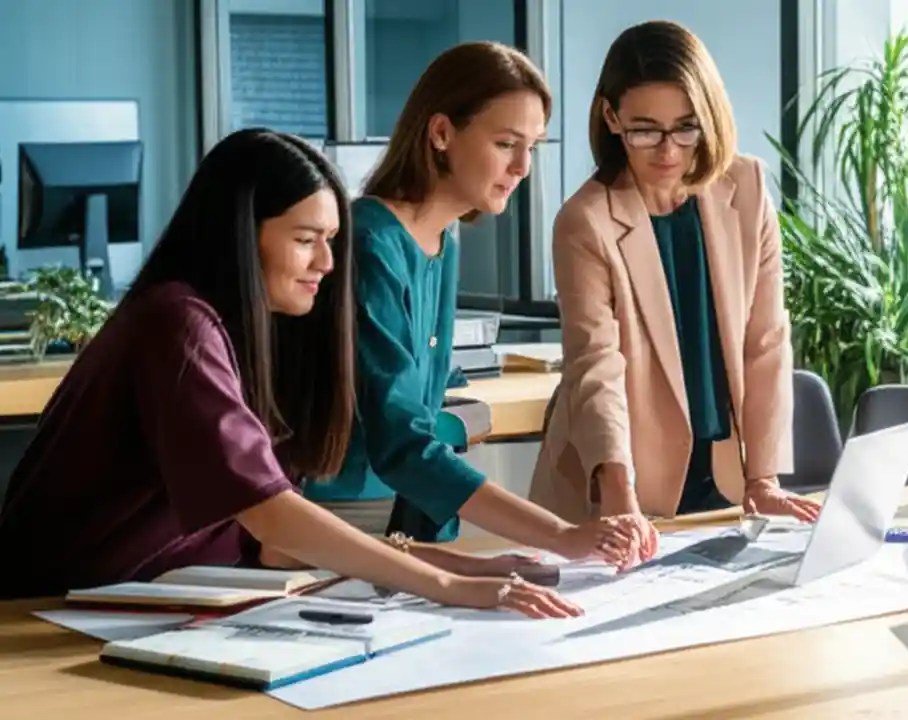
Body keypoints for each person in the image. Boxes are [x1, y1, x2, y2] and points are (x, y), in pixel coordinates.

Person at [0, 128, 604, 618]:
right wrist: (443, 586)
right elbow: (269, 511)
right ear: (242, 235)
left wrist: (451, 562)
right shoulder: (177, 324)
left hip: (150, 605)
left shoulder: (251, 332)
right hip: (46, 618)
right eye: (306, 239)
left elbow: (270, 543)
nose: (327, 263)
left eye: (332, 240)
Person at [303, 41, 645, 567]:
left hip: (401, 512)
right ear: (441, 133)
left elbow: (422, 396)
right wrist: (559, 535)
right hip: (344, 512)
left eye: (533, 146)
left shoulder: (444, 240)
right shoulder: (371, 241)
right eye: (507, 143)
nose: (523, 166)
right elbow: (401, 439)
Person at [529, 20, 823, 535]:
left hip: (726, 476)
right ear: (611, 118)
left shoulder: (747, 187)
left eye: (686, 127)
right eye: (645, 129)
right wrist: (620, 493)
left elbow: (766, 344)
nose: (668, 150)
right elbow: (597, 366)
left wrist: (764, 479)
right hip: (621, 486)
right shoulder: (585, 221)